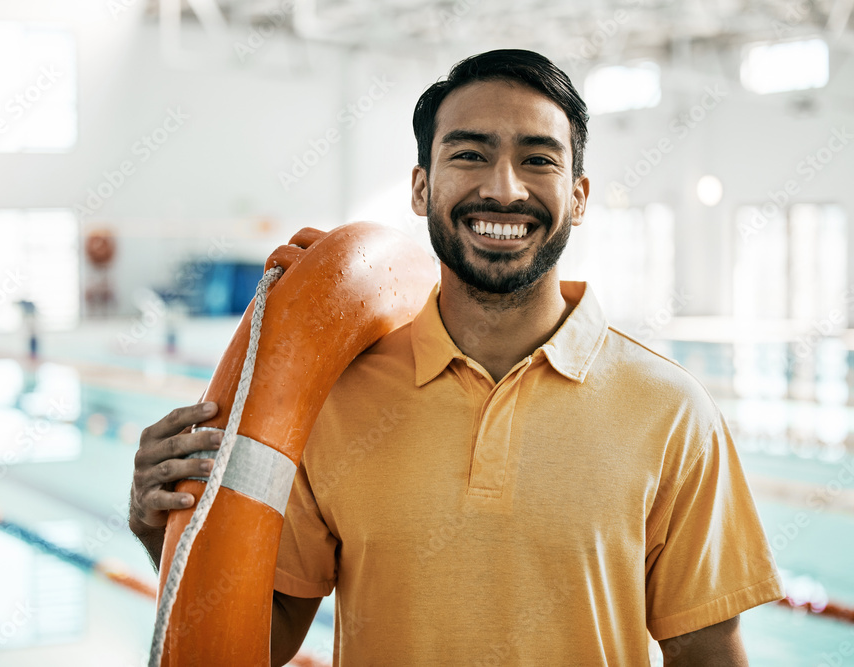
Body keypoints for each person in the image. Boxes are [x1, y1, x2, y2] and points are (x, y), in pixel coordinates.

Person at [130, 49, 785, 666]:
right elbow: (254, 638)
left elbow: (706, 654)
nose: (504, 189)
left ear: (579, 196)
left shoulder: (670, 412)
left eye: (538, 159)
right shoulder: (337, 401)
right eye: (470, 154)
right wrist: (165, 527)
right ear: (421, 188)